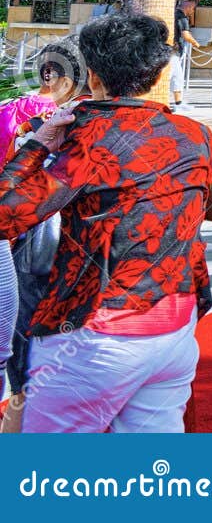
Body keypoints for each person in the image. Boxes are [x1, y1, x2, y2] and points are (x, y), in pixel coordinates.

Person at [0, 12, 212, 433]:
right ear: (157, 72)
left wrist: (34, 147)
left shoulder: (83, 137)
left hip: (93, 333)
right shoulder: (194, 133)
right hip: (173, 325)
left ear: (91, 75)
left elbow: (5, 215)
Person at [1, 39, 86, 434]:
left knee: (18, 351)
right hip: (70, 244)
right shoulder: (77, 118)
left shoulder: (9, 111)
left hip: (17, 236)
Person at [170, 0, 199, 111]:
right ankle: (176, 104)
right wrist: (196, 43)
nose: (192, 11)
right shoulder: (182, 18)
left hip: (171, 50)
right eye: (193, 9)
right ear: (188, 7)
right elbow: (185, 34)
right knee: (173, 76)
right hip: (173, 51)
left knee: (177, 76)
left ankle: (179, 102)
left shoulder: (173, 14)